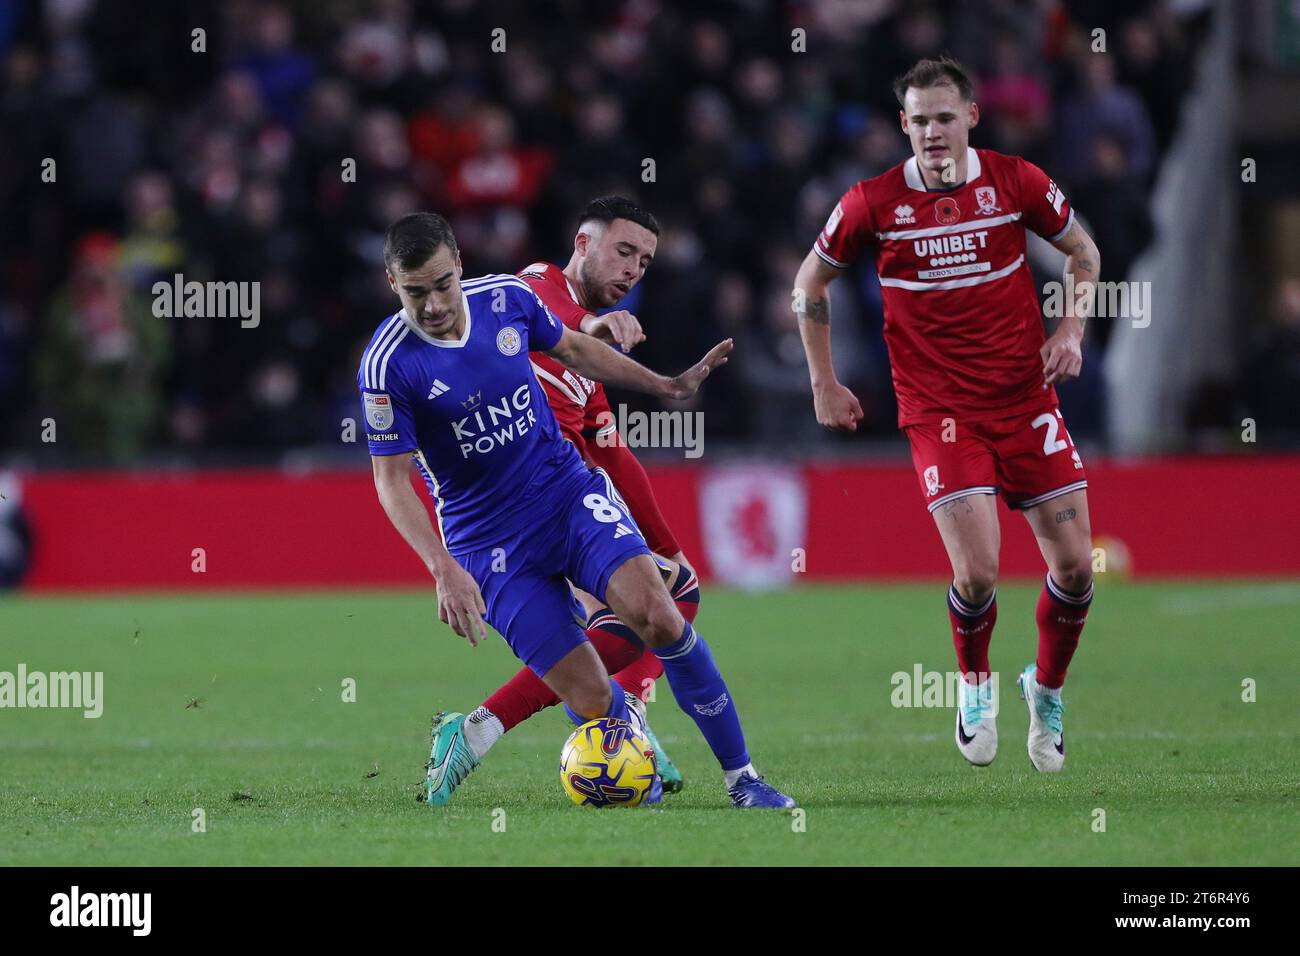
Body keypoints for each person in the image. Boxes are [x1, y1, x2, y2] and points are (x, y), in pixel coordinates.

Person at [362, 212, 794, 808]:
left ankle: (744, 780)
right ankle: (621, 750)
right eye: (416, 292)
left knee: (663, 619)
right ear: (392, 283)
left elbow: (574, 348)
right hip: (489, 546)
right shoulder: (387, 365)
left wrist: (665, 386)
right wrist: (443, 568)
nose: (433, 304)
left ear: (459, 264)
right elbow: (391, 482)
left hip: (567, 496)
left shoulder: (506, 300)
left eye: (442, 284)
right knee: (590, 698)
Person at [793, 58, 1101, 772]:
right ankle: (973, 685)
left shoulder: (1016, 181)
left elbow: (1082, 251)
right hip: (940, 414)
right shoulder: (872, 202)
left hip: (1025, 401)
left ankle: (1045, 690)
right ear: (903, 125)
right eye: (919, 120)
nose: (932, 132)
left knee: (1079, 568)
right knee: (979, 577)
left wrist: (1071, 330)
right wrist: (823, 383)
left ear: (971, 117)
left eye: (944, 117)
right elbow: (810, 283)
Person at [442, 197, 700, 801]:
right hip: (515, 503)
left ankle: (608, 719)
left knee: (667, 595)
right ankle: (619, 719)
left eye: (645, 260)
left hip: (567, 495)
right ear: (583, 244)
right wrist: (590, 328)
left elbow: (612, 452)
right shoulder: (535, 288)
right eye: (624, 251)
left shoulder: (588, 366)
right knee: (647, 612)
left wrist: (668, 544)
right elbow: (552, 307)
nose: (634, 269)